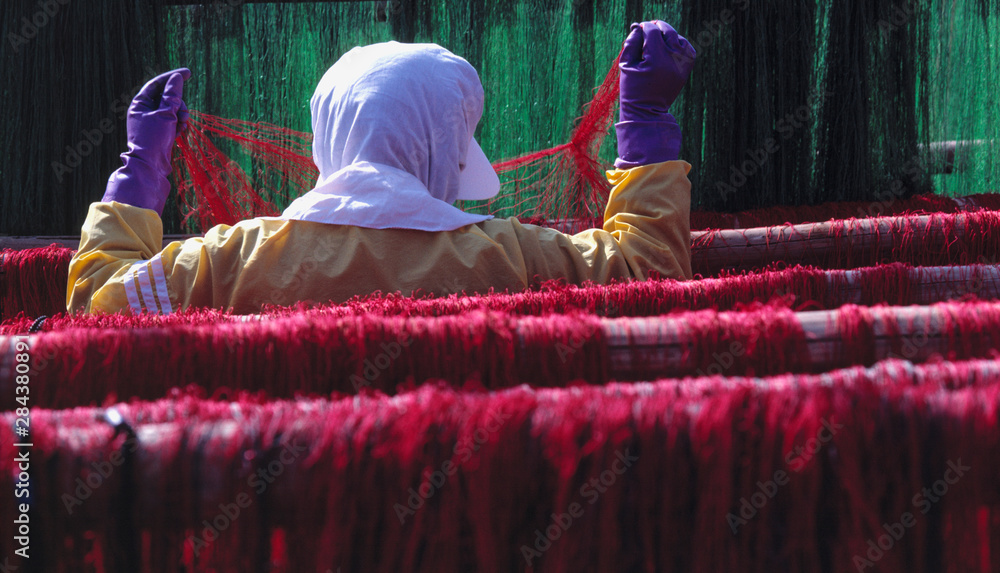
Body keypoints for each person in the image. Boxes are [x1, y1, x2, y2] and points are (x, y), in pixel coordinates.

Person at [67, 21, 696, 315]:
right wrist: (643, 130)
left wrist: (139, 172)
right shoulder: (513, 259)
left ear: (327, 141)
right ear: (445, 147)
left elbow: (95, 304)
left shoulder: (229, 263)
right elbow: (652, 271)